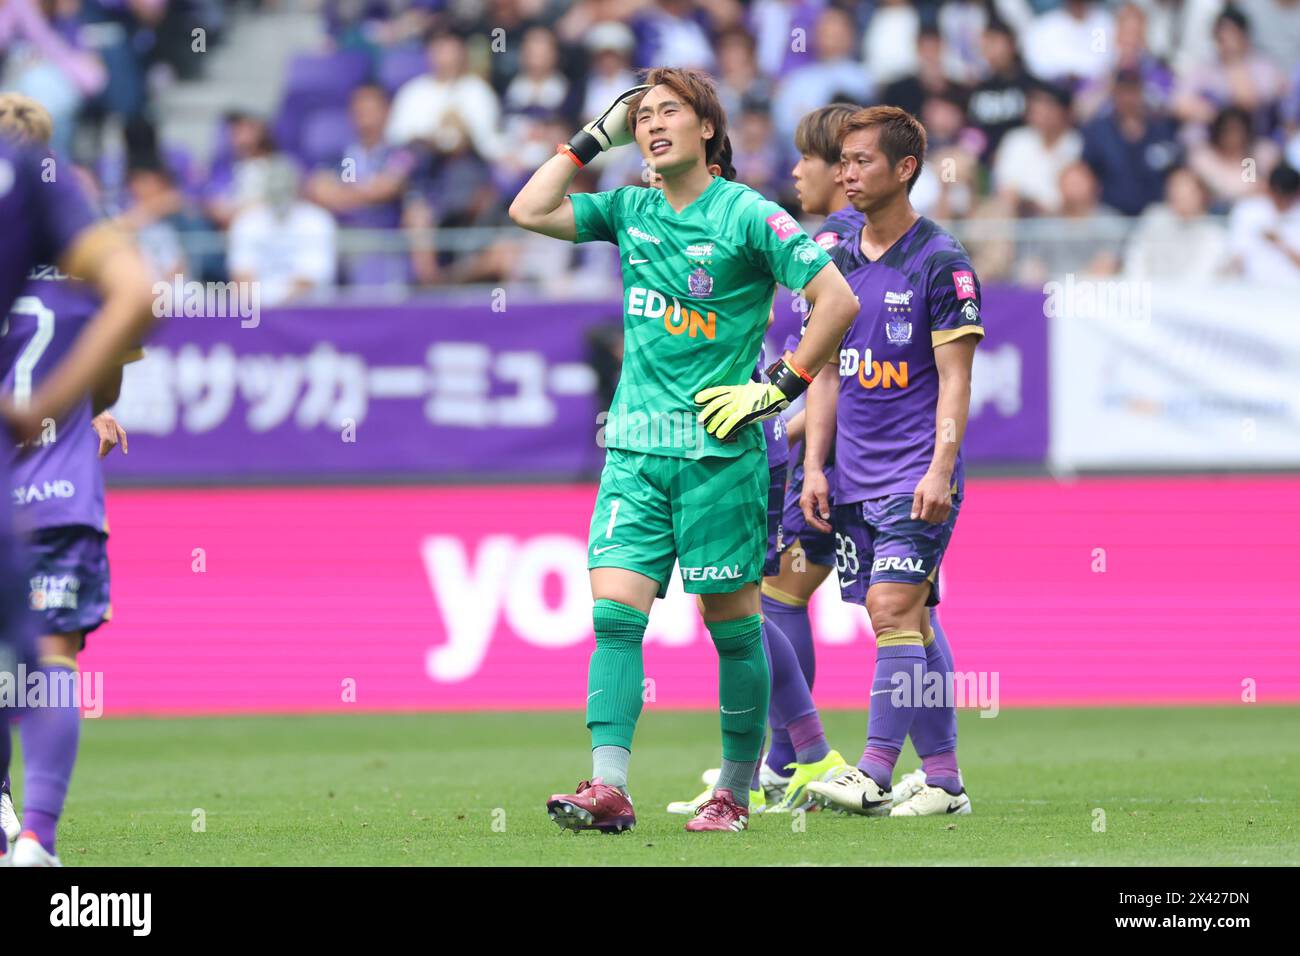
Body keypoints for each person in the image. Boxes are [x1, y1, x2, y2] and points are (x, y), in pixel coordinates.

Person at [509, 68, 859, 833]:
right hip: (633, 452)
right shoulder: (627, 209)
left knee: (732, 626)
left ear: (708, 128)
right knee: (614, 620)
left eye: (670, 112)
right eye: (641, 118)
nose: (652, 125)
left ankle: (733, 791)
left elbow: (838, 300)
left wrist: (776, 389)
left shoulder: (749, 216)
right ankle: (608, 787)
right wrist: (590, 137)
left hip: (718, 457)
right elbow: (527, 208)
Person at [800, 106, 982, 818]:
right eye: (841, 161)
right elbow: (826, 372)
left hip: (914, 476)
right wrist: (816, 465)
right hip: (853, 478)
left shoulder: (942, 263)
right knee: (919, 624)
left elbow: (958, 379)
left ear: (904, 169)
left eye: (861, 161)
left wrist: (940, 469)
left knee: (890, 609)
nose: (845, 173)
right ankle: (943, 782)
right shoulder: (837, 263)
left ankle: (872, 772)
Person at [0, 113, 157, 868]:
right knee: (52, 661)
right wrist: (77, 410)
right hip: (59, 495)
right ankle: (38, 837)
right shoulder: (79, 262)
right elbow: (124, 344)